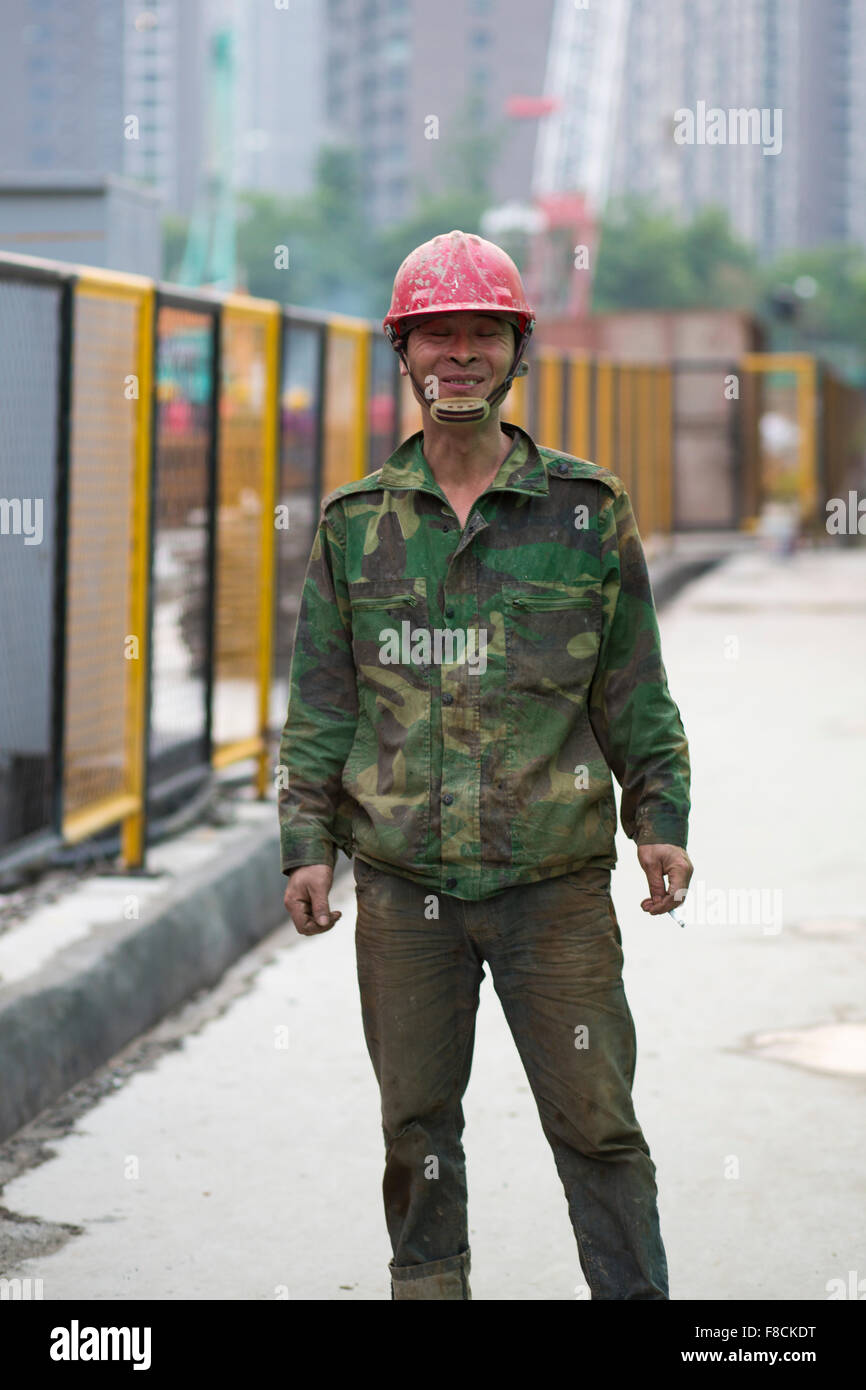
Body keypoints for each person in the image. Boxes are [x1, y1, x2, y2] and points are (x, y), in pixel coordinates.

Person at [278, 230, 694, 1300]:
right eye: (436, 335)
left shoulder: (586, 511)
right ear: (404, 353)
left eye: (481, 333)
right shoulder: (355, 525)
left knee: (598, 1126)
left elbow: (632, 685)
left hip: (553, 889)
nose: (458, 354)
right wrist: (305, 844)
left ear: (515, 351)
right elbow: (323, 700)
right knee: (415, 1130)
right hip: (404, 887)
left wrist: (660, 819)